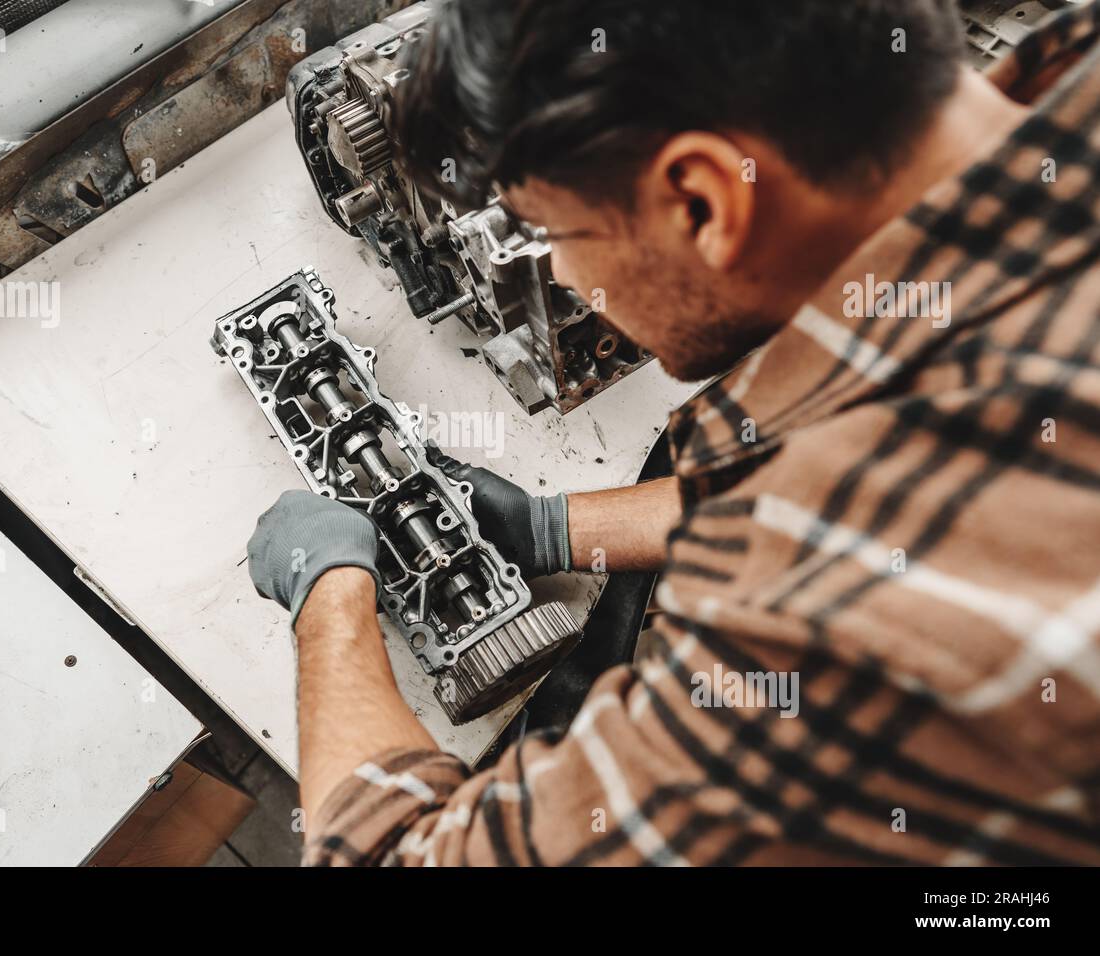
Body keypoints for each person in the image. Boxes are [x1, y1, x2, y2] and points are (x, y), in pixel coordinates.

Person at [245, 0, 1100, 864]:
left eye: (551, 238)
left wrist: (329, 594)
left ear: (702, 199)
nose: (568, 279)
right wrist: (562, 528)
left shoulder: (818, 639)